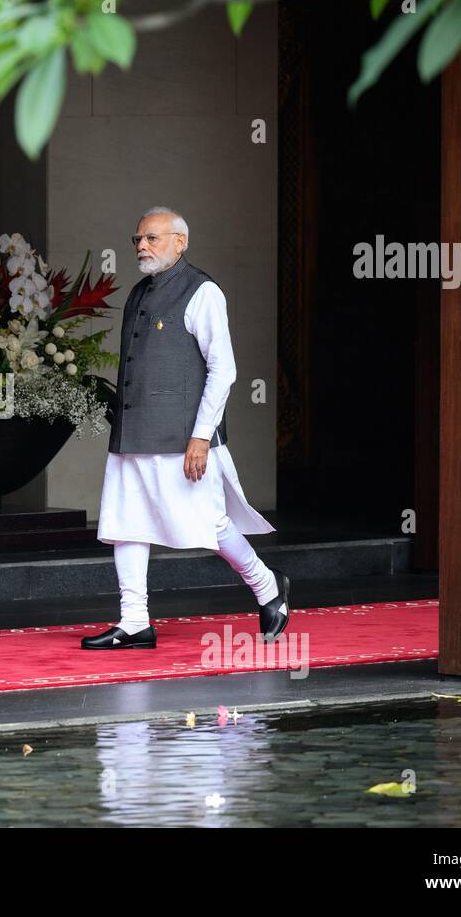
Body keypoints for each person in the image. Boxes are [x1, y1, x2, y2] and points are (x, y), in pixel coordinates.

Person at [82, 206, 289, 650]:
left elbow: (223, 369)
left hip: (182, 436)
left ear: (180, 241)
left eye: (152, 238)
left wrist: (201, 436)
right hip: (134, 432)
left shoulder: (203, 291)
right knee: (127, 523)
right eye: (137, 239)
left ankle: (268, 586)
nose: (141, 246)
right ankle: (135, 620)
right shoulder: (139, 292)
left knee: (209, 525)